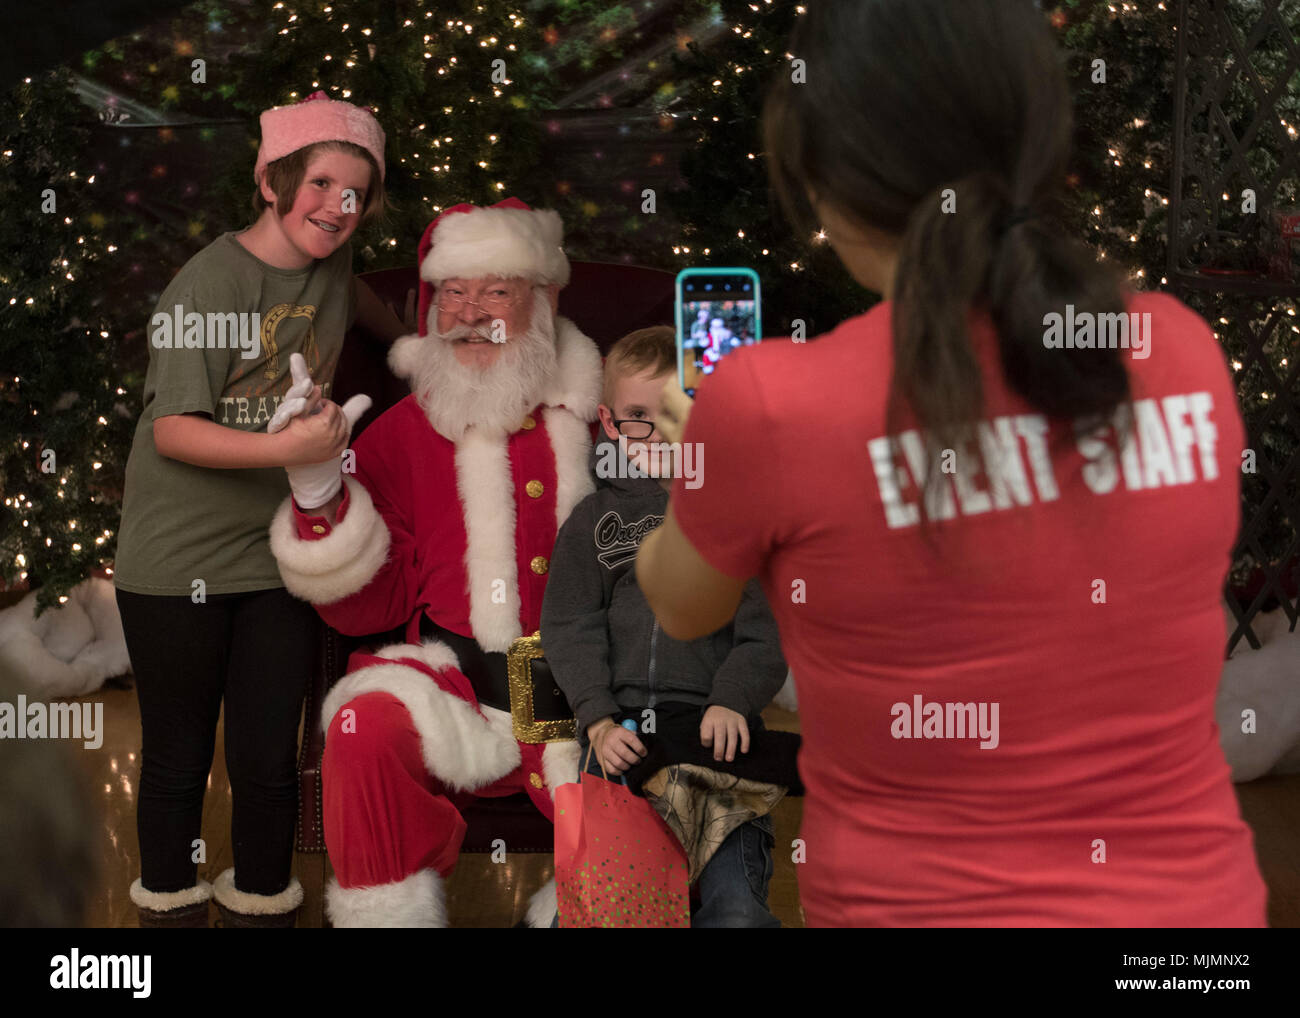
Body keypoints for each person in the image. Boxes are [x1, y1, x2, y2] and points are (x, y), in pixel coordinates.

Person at [635, 0, 1268, 927]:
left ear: (827, 176)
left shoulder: (770, 404)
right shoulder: (1181, 352)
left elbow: (683, 602)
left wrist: (705, 462)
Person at [114, 90, 408, 928]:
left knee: (268, 758)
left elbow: (361, 307)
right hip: (177, 563)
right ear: (274, 180)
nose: (336, 207)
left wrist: (408, 348)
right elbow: (172, 431)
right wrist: (292, 452)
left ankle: (262, 905)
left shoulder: (332, 261)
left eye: (355, 193)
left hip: (278, 553)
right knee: (178, 757)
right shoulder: (206, 284)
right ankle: (166, 909)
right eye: (319, 183)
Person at [266, 198, 602, 928]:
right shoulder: (399, 434)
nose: (470, 312)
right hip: (453, 684)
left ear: (543, 300)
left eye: (496, 290)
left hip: (585, 691)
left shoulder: (608, 413)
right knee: (360, 728)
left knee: (629, 813)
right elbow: (366, 609)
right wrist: (318, 488)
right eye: (453, 291)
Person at [541, 326, 792, 927]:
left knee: (737, 912)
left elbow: (769, 630)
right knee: (611, 909)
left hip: (717, 744)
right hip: (618, 744)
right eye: (637, 416)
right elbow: (570, 623)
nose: (659, 434)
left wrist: (733, 701)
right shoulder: (593, 520)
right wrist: (597, 717)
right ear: (606, 421)